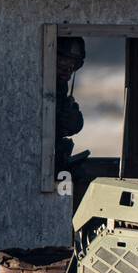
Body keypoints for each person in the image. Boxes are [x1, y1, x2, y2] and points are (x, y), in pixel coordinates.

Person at [55, 36, 87, 173]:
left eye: (72, 65)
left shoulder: (60, 87)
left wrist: (74, 119)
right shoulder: (40, 81)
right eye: (62, 63)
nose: (67, 70)